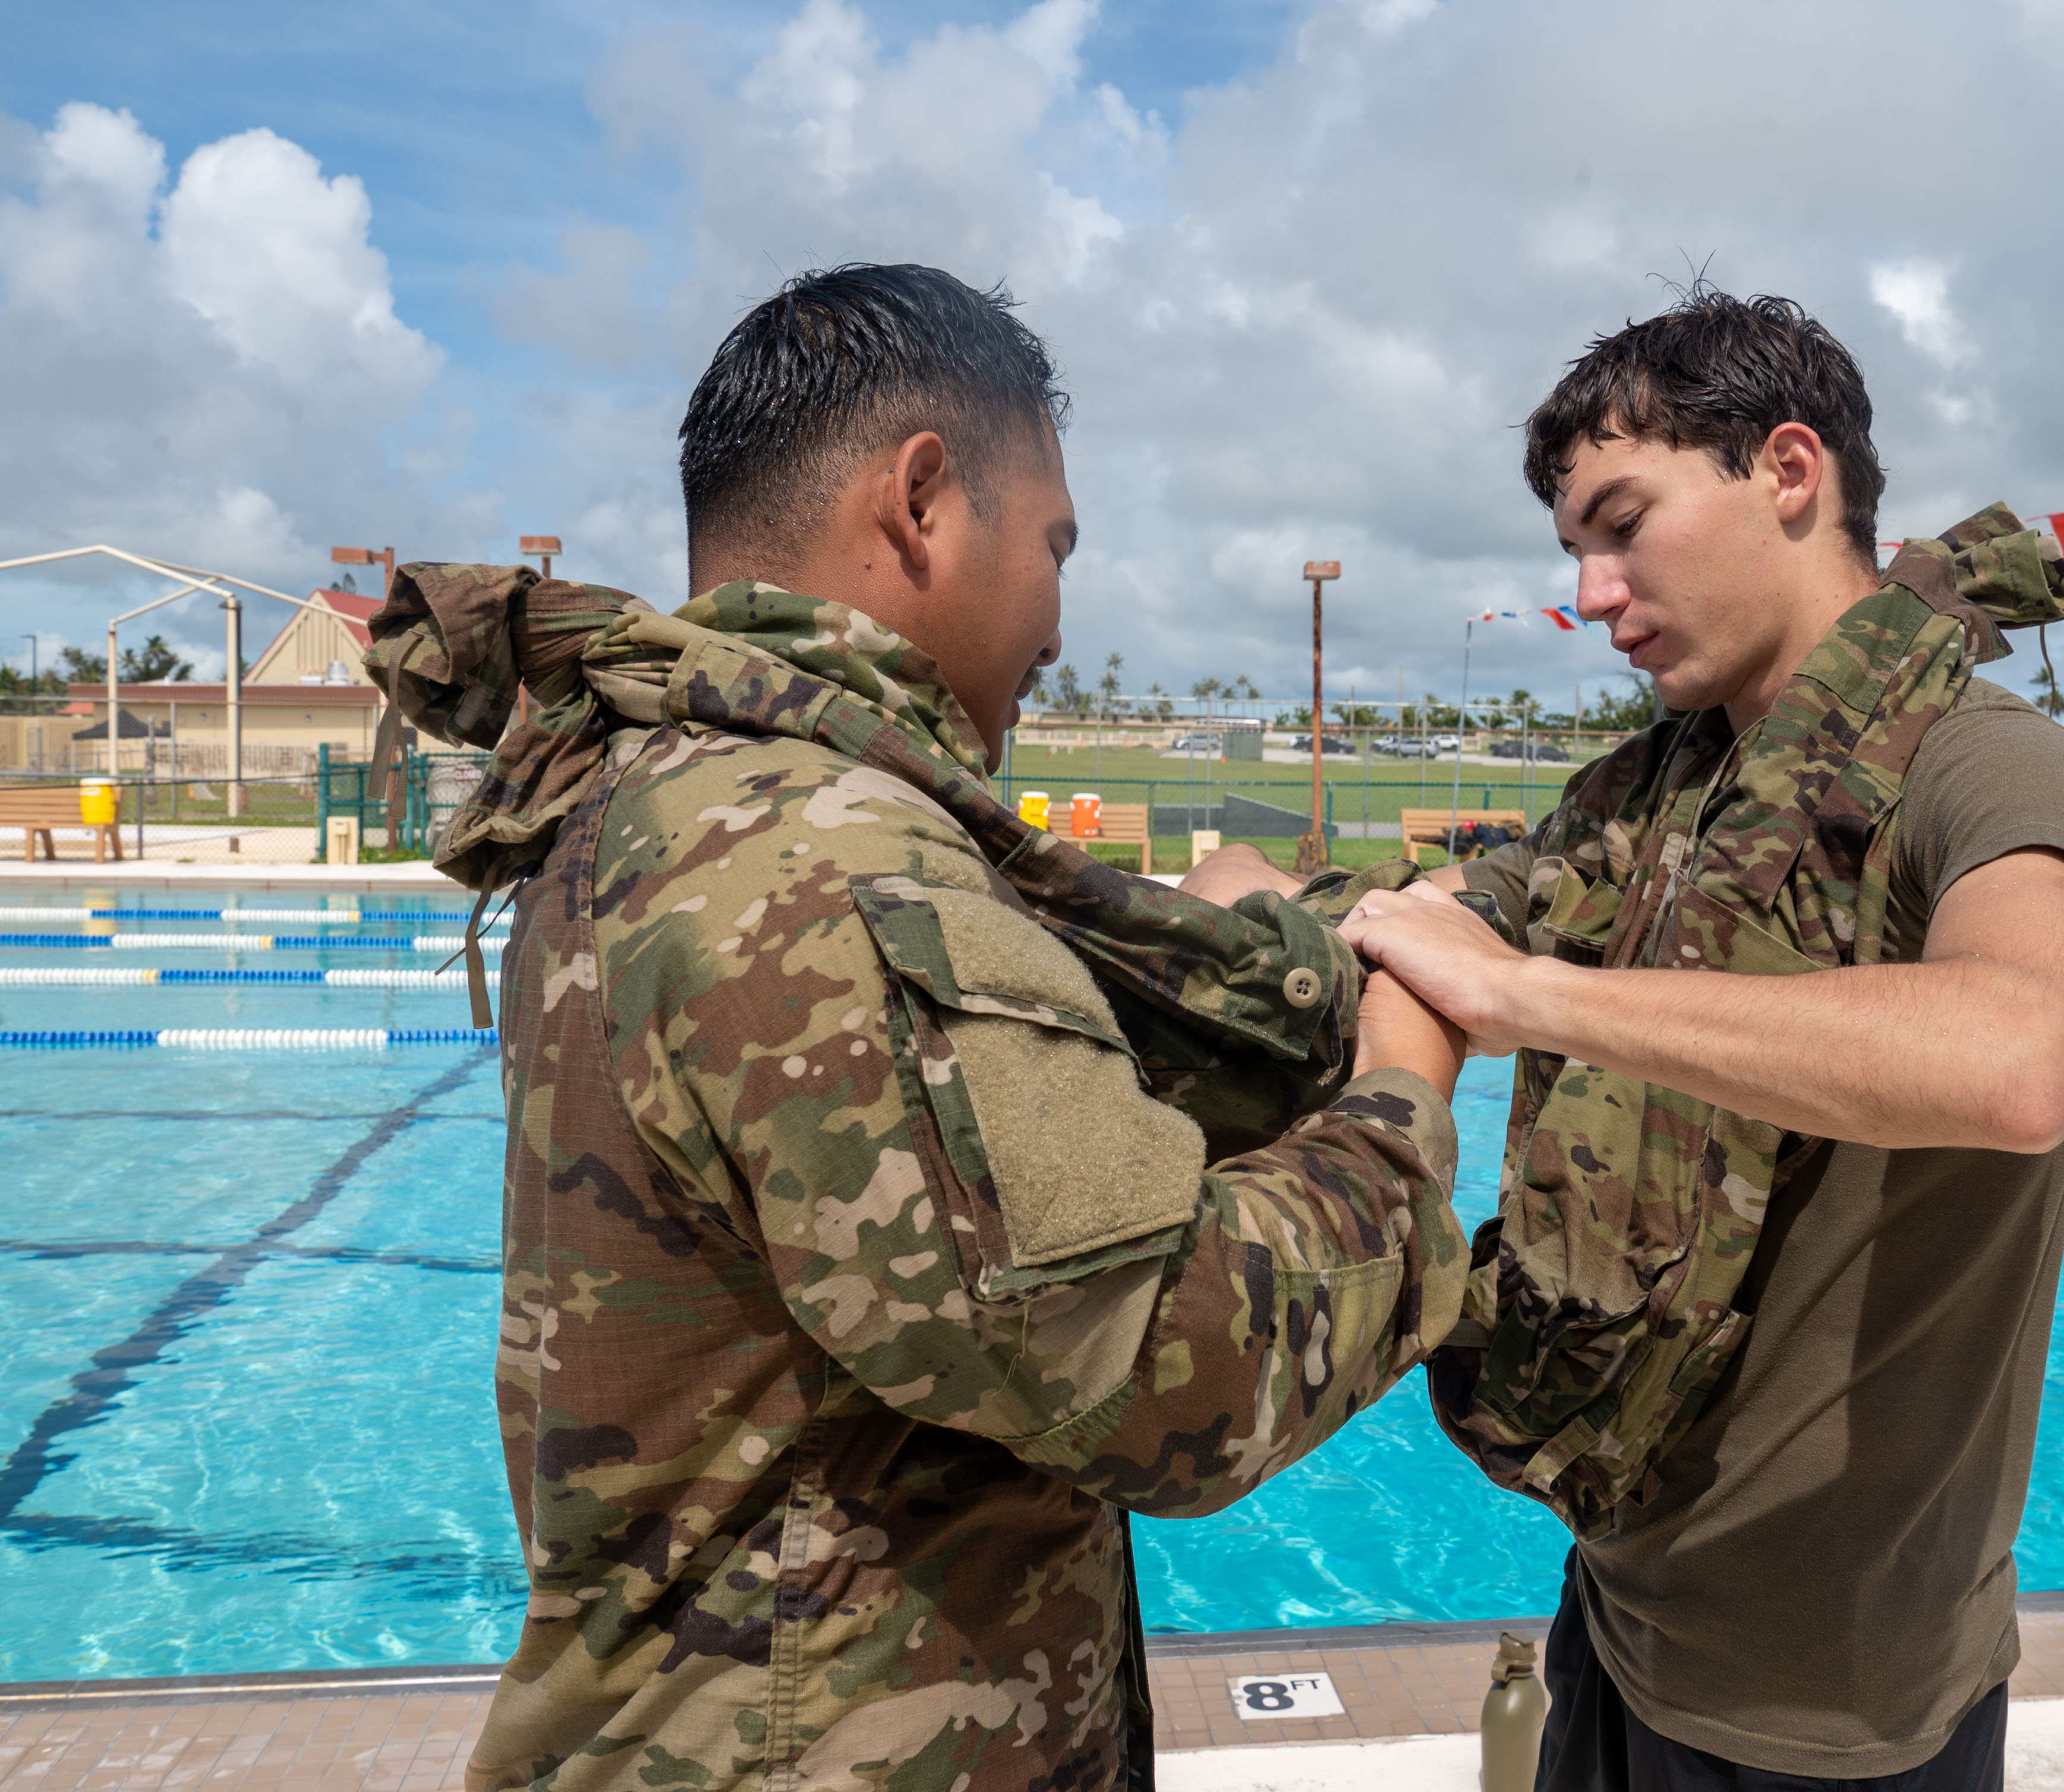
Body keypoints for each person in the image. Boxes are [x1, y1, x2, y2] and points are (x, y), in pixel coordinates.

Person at [365, 263, 1469, 1792]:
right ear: (924, 501)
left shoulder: (660, 785)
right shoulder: (828, 861)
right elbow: (1168, 1368)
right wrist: (1403, 1093)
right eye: (1055, 546)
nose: (1059, 622)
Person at [1338, 291, 2064, 1790]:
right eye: (1573, 547)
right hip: (1624, 1598)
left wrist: (1533, 997)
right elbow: (1448, 910)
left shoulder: (1983, 764)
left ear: (1785, 470)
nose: (1590, 590)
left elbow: (2018, 1053)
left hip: (1835, 1705)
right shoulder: (1659, 793)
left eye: (1620, 523)